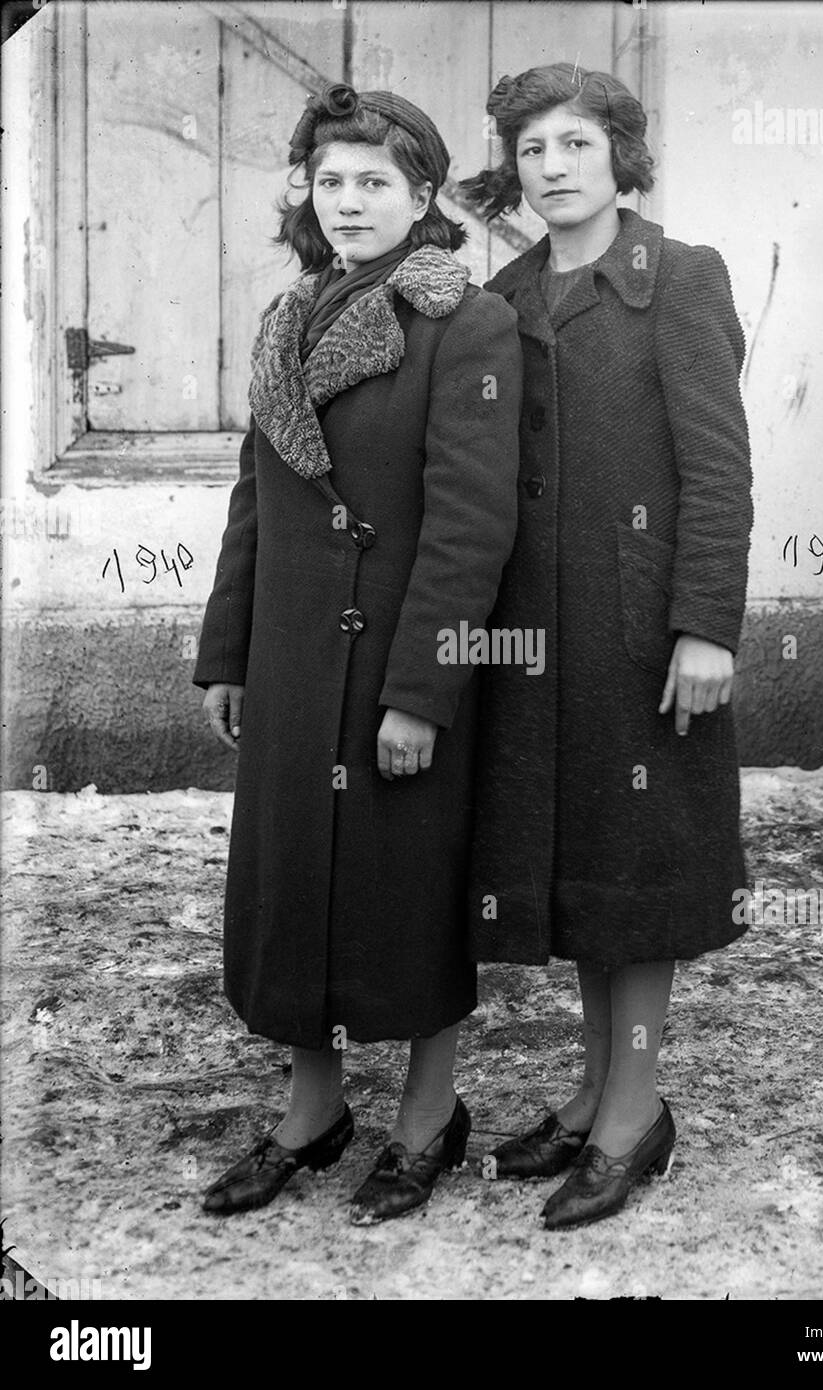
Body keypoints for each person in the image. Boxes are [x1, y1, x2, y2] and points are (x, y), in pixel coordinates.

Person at [193, 81, 521, 1223]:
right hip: (293, 664)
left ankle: (428, 1117)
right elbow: (256, 499)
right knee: (295, 890)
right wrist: (228, 650)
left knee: (407, 892)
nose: (347, 201)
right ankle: (312, 1110)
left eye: (373, 182)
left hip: (394, 666)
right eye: (329, 180)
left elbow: (473, 523)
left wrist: (422, 693)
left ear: (423, 196)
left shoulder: (463, 323)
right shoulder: (293, 315)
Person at [461, 62, 754, 1230]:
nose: (554, 169)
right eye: (532, 150)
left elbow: (719, 469)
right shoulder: (510, 292)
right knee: (584, 871)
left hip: (644, 641)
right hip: (541, 648)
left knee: (642, 874)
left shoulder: (677, 279)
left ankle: (636, 1117)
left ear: (619, 155)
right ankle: (592, 1094)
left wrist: (704, 627)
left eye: (576, 144)